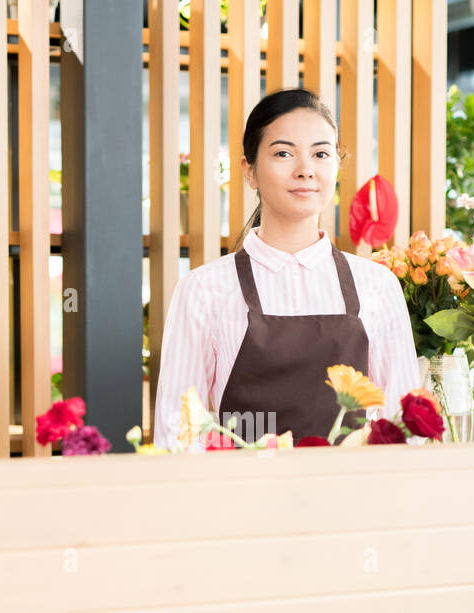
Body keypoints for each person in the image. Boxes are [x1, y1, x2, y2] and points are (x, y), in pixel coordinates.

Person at [153, 88, 421, 450]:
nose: (306, 170)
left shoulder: (378, 285)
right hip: (243, 497)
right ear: (249, 171)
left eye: (321, 154)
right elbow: (177, 434)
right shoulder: (204, 288)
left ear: (336, 166)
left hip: (354, 496)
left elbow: (400, 425)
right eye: (283, 153)